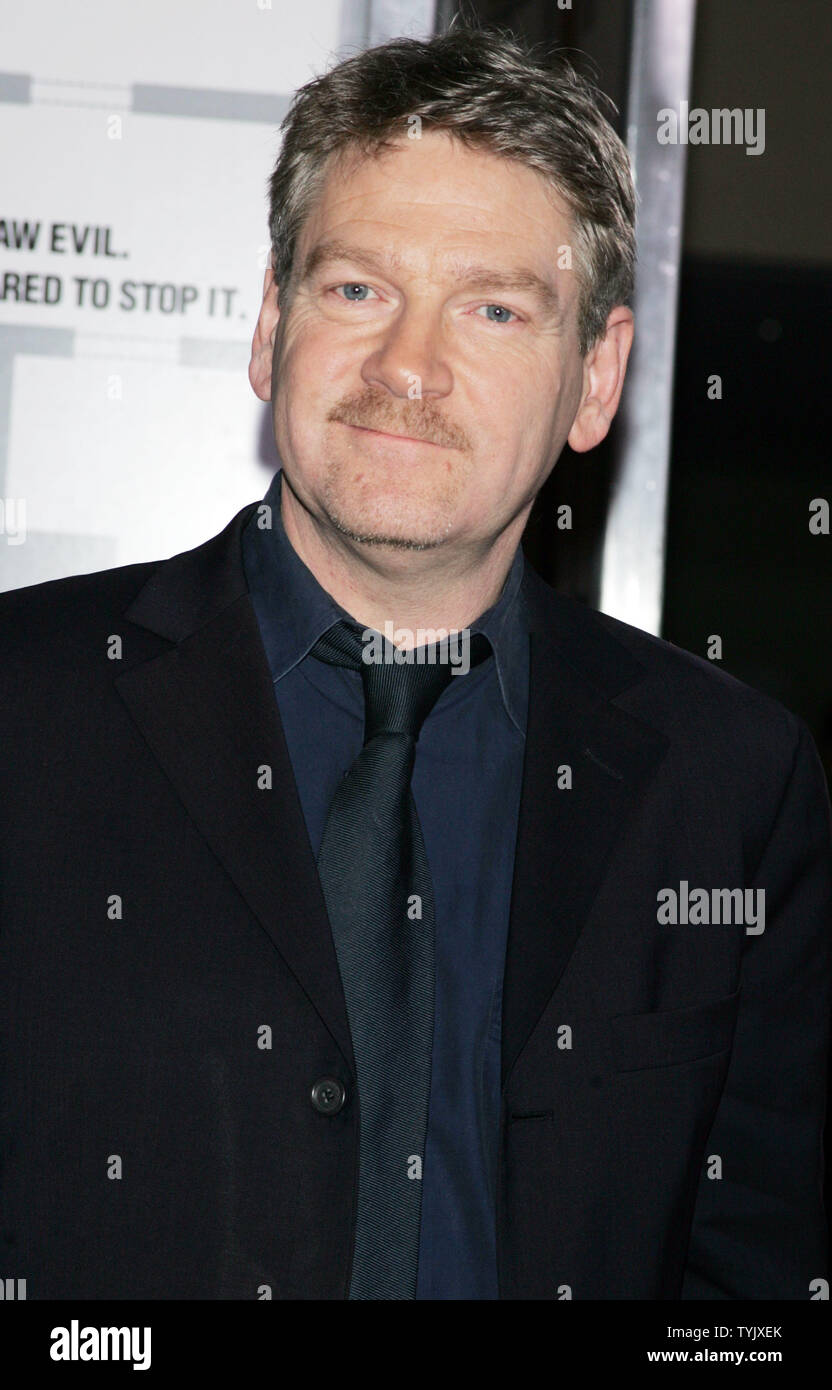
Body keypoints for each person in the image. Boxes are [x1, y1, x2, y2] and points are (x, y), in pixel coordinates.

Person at [0, 25, 829, 1301]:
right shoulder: (23, 707)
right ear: (271, 326)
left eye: (494, 309)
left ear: (594, 377)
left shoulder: (729, 784)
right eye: (355, 290)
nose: (407, 368)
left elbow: (752, 1282)